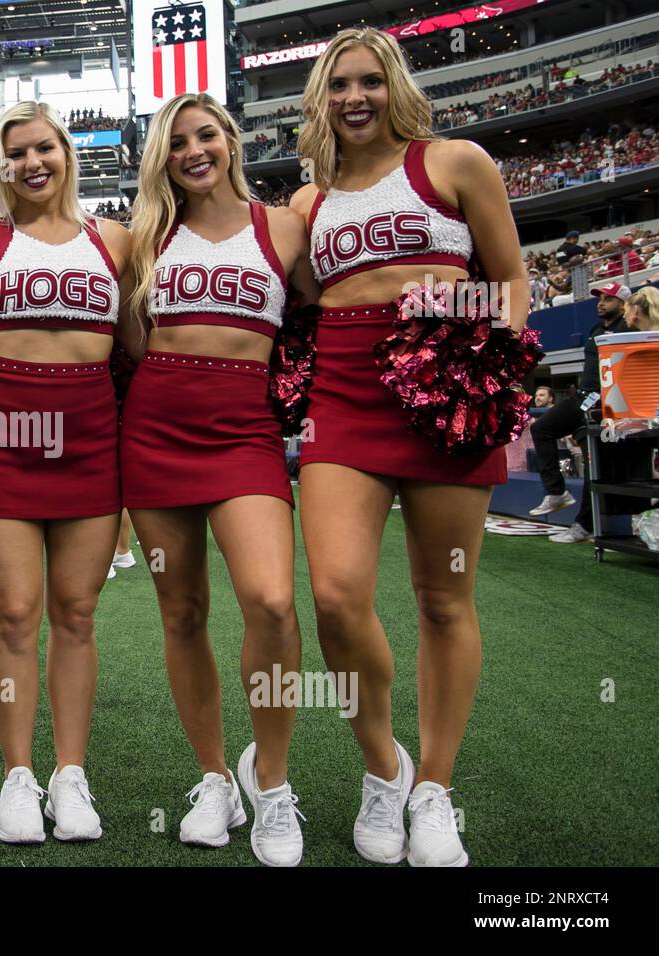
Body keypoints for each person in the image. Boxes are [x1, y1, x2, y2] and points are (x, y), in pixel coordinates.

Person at [290, 28, 530, 867]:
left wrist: (485, 367)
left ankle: (435, 787)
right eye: (339, 86)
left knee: (442, 601)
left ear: (394, 85)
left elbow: (508, 280)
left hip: (448, 395)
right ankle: (382, 769)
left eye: (369, 81)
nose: (355, 98)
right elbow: (299, 303)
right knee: (335, 596)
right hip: (344, 399)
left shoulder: (457, 163)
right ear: (321, 101)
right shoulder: (305, 204)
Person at [123, 93, 320, 864]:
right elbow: (134, 345)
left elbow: (320, 315)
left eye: (206, 135)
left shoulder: (286, 228)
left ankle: (270, 782)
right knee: (183, 613)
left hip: (245, 433)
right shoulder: (146, 236)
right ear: (163, 159)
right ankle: (213, 777)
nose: (194, 150)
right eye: (178, 143)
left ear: (231, 141)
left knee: (271, 601)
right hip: (156, 433)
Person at [0, 101, 134, 844]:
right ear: (0, 165)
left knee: (76, 615)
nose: (32, 163)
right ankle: (18, 775)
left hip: (89, 439)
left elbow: (140, 345)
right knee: (16, 614)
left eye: (43, 148)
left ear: (66, 153)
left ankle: (70, 774)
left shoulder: (113, 239)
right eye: (15, 153)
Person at [530, 283, 631, 533]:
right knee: (541, 428)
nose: (600, 303)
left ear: (623, 304)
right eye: (599, 298)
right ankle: (556, 492)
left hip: (606, 402)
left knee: (592, 462)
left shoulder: (628, 328)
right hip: (583, 397)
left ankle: (584, 524)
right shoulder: (597, 328)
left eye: (608, 299)